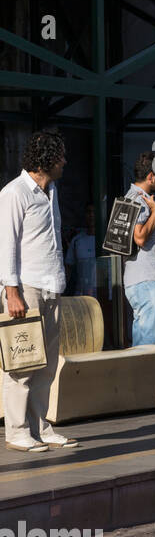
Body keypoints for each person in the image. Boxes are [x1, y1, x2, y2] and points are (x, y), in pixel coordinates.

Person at [0, 130, 78, 452]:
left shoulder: (51, 191)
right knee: (21, 364)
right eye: (60, 156)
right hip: (26, 289)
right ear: (47, 158)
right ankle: (17, 431)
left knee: (46, 365)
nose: (64, 161)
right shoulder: (15, 192)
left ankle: (41, 426)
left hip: (51, 287)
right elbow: (6, 245)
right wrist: (11, 291)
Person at [123, 152, 155, 390]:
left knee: (149, 337)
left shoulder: (146, 198)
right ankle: (149, 393)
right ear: (151, 175)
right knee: (152, 341)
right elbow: (140, 237)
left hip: (149, 279)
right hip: (144, 279)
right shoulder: (137, 199)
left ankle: (147, 393)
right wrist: (154, 211)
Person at [63, 205, 97, 296]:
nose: (91, 215)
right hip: (82, 294)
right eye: (88, 212)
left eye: (94, 212)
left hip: (103, 294)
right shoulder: (77, 240)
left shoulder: (107, 240)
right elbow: (68, 268)